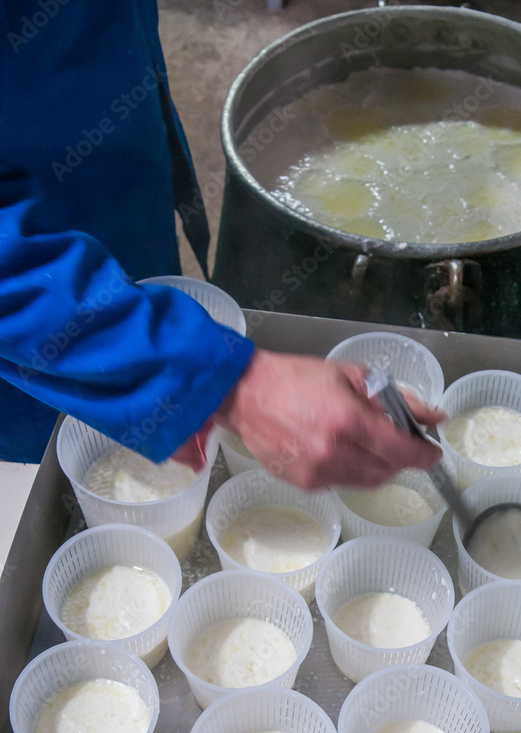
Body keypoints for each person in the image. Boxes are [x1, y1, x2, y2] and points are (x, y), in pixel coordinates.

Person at [0, 2, 440, 487]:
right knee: (49, 473)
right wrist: (232, 384)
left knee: (146, 322)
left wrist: (191, 367)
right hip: (25, 303)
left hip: (103, 128)